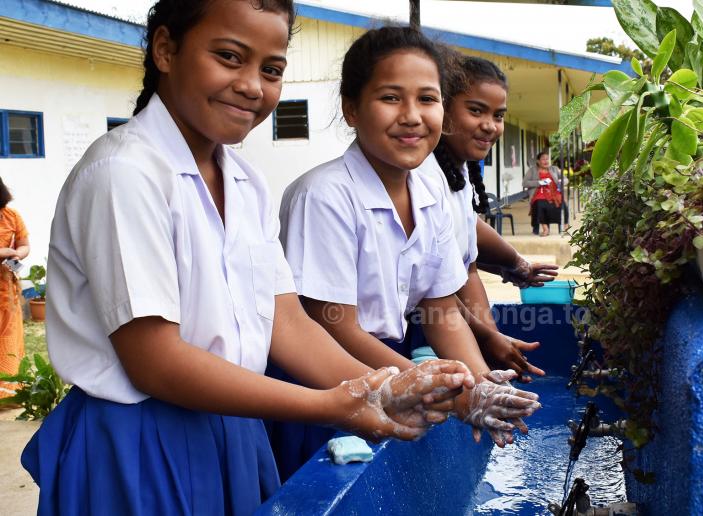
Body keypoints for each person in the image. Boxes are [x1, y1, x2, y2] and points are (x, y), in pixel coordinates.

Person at [21, 3, 475, 514]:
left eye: (272, 69)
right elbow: (155, 362)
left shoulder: (242, 180)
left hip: (233, 428)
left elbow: (287, 321)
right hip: (141, 442)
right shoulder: (125, 172)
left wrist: (378, 388)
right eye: (229, 57)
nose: (252, 85)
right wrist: (332, 405)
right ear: (166, 50)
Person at [277, 26, 541, 478]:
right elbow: (333, 325)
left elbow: (441, 306)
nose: (412, 116)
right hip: (326, 379)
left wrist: (479, 383)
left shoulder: (430, 186)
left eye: (427, 99)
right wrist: (445, 390)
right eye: (391, 98)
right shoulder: (323, 196)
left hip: (391, 366)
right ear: (352, 109)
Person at [421, 51, 558, 380]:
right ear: (444, 107)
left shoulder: (458, 171)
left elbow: (468, 250)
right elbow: (437, 296)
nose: (490, 125)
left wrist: (515, 265)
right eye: (476, 110)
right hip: (418, 333)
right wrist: (486, 341)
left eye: (498, 115)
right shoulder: (423, 179)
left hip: (447, 325)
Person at [0, 177, 29, 399]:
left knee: (9, 334)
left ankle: (8, 392)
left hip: (6, 288)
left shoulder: (12, 216)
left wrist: (18, 253)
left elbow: (24, 244)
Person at [523, 151, 562, 236]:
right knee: (539, 204)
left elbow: (565, 179)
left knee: (558, 205)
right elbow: (525, 183)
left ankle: (560, 226)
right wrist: (539, 182)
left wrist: (560, 181)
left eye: (547, 159)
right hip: (538, 194)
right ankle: (545, 228)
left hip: (552, 194)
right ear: (538, 161)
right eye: (543, 159)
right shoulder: (532, 170)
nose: (546, 161)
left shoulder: (554, 169)